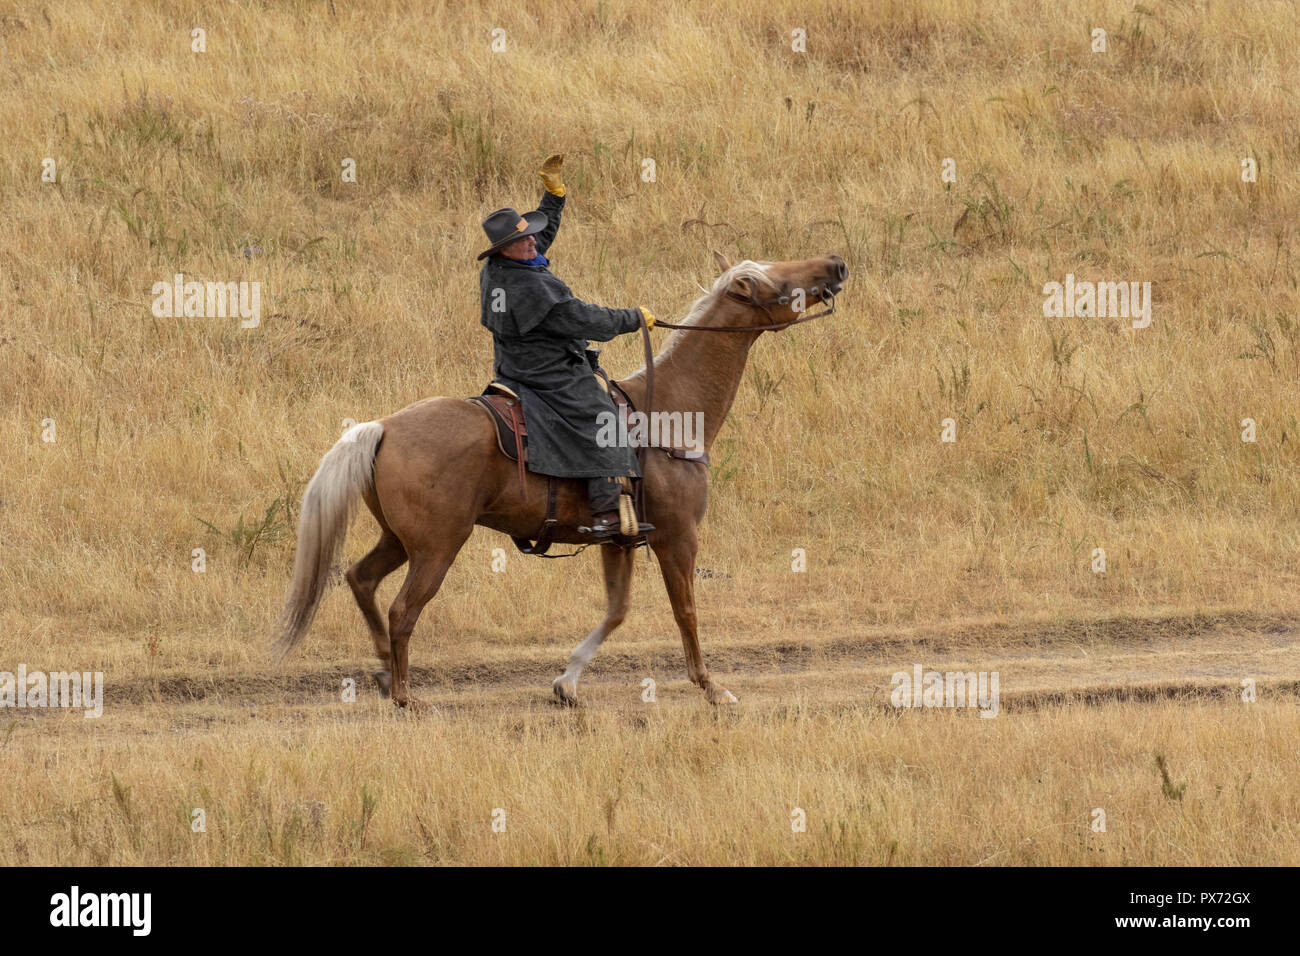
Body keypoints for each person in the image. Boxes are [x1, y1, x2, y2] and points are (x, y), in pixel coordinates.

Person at [477, 154, 655, 539]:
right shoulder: (533, 289)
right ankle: (608, 512)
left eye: (527, 236)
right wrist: (634, 318)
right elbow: (585, 319)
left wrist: (553, 197)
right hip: (547, 372)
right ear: (504, 248)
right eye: (520, 239)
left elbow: (538, 239)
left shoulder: (500, 268)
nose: (530, 242)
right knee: (601, 418)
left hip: (511, 367)